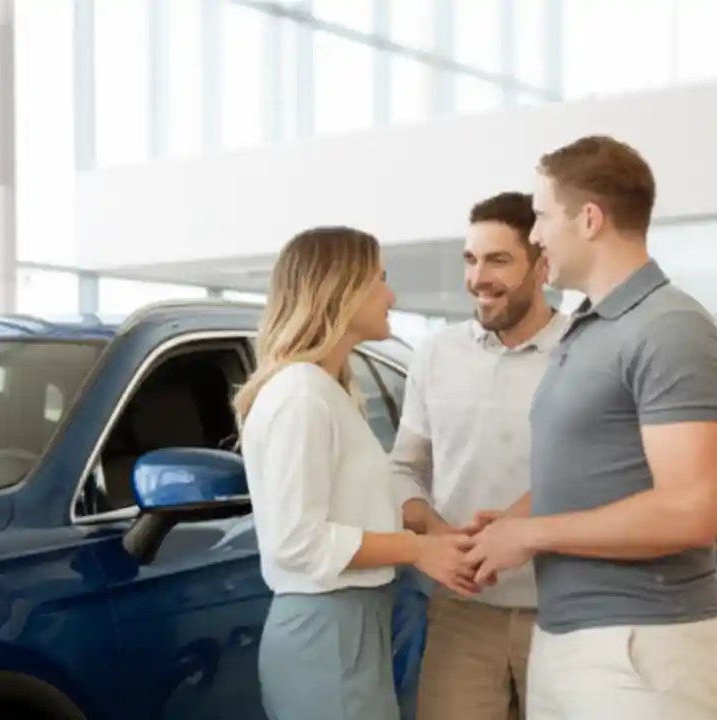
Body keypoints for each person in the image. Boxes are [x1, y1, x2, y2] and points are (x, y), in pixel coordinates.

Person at [467, 135, 717, 718]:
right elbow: (602, 469)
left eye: (542, 216)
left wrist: (531, 536)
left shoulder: (669, 327)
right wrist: (514, 521)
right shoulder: (593, 327)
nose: (533, 235)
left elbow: (696, 509)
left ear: (589, 219)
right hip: (573, 638)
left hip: (642, 646)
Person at [235, 226, 479, 720]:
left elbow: (357, 500)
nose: (391, 294)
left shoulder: (328, 390)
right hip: (326, 633)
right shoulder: (300, 394)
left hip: (351, 627)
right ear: (341, 288)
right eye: (380, 279)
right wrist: (419, 549)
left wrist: (432, 530)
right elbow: (297, 541)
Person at [389, 191, 566, 720]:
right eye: (471, 259)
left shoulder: (585, 350)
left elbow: (610, 474)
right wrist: (437, 535)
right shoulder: (436, 354)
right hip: (461, 611)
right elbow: (404, 468)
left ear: (543, 265)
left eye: (499, 260)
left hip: (564, 610)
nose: (478, 277)